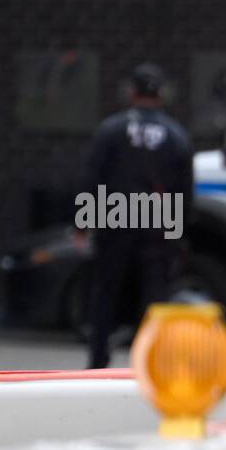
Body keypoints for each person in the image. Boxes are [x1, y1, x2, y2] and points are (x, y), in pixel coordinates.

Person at [83, 63, 193, 368]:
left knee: (106, 291)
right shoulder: (175, 135)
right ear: (161, 95)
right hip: (157, 223)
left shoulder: (111, 130)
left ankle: (98, 359)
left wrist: (84, 223)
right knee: (155, 296)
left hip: (115, 219)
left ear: (131, 92)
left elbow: (93, 178)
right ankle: (149, 362)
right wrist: (178, 231)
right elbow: (184, 190)